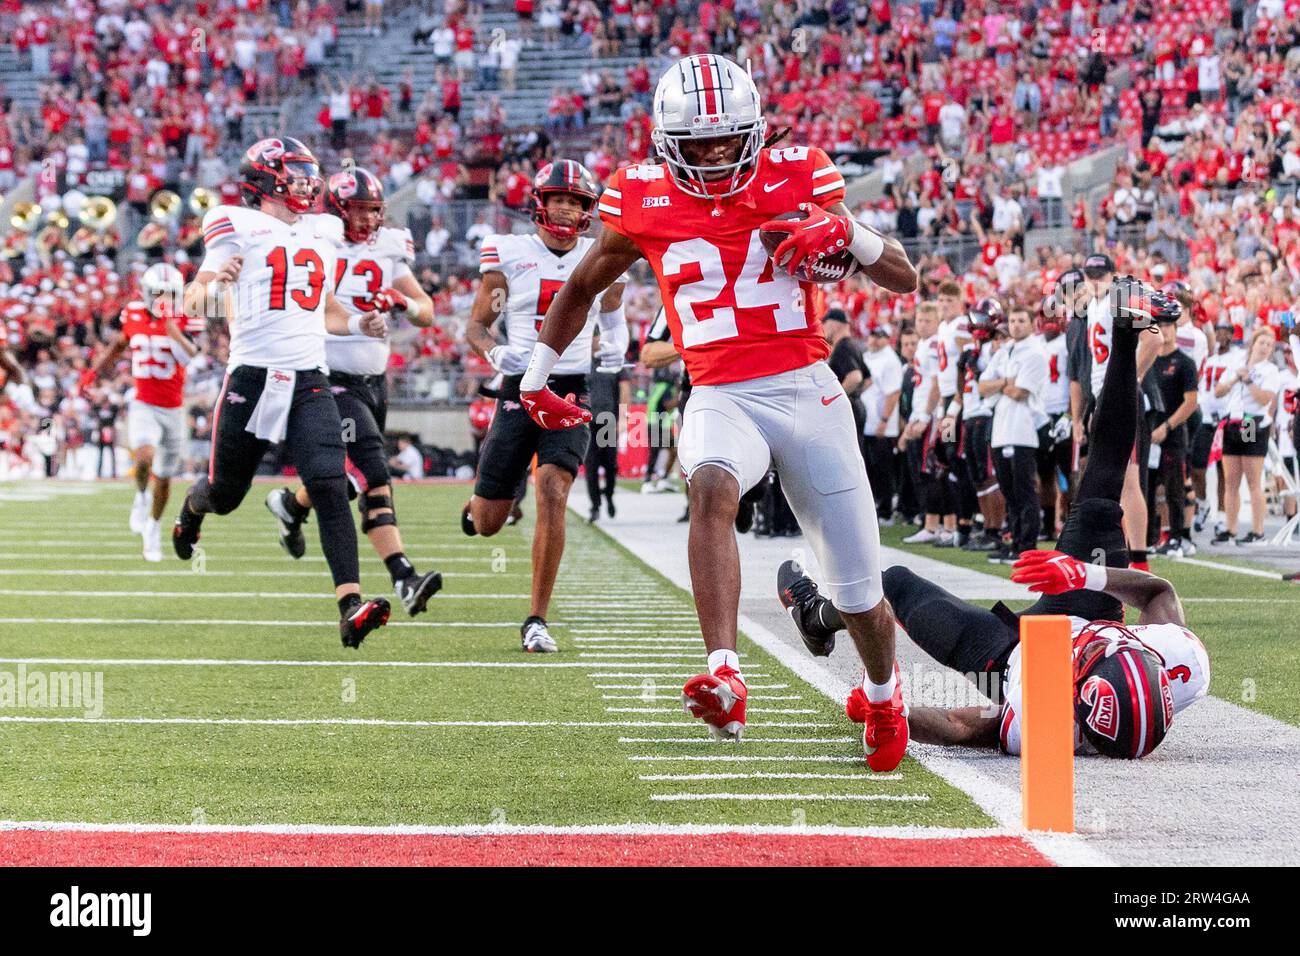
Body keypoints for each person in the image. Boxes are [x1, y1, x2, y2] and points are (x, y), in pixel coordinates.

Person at [517, 54, 918, 770]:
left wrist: (847, 236)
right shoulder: (640, 196)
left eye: (728, 140)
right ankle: (726, 675)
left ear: (754, 131)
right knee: (708, 485)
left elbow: (903, 277)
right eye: (697, 144)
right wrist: (535, 377)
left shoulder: (799, 174)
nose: (714, 156)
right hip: (720, 391)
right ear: (667, 143)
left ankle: (884, 695)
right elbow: (580, 287)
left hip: (807, 388)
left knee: (860, 594)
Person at [779, 287, 1210, 759]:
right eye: (1109, 652)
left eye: (1087, 661)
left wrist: (894, 715)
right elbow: (1159, 593)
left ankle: (816, 615)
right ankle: (1124, 336)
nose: (1086, 650)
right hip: (1091, 610)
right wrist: (1086, 575)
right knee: (1102, 488)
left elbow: (959, 726)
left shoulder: (1044, 717)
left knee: (894, 584)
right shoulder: (1182, 664)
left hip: (1012, 656)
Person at [175, 137, 393, 649]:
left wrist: (359, 322)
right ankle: (191, 511)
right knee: (225, 494)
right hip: (252, 377)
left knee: (329, 482)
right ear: (265, 180)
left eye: (308, 174)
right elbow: (191, 300)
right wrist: (214, 284)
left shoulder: (323, 231)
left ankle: (350, 607)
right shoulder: (234, 222)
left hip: (309, 379)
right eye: (294, 174)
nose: (307, 183)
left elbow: (326, 308)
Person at [461, 159, 629, 653]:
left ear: (587, 209)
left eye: (576, 201)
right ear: (540, 203)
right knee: (486, 522)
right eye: (559, 199)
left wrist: (616, 342)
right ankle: (491, 498)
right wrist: (494, 352)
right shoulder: (510, 253)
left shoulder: (603, 252)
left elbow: (613, 313)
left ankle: (536, 618)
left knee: (553, 488)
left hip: (572, 387)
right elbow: (477, 326)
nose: (567, 209)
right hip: (519, 386)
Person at [262, 166, 443, 617]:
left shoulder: (389, 246)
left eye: (373, 210)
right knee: (374, 471)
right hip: (329, 378)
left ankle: (291, 504)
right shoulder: (313, 241)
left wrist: (402, 301)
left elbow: (426, 312)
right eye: (358, 210)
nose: (367, 219)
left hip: (373, 383)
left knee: (343, 481)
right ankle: (404, 576)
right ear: (337, 210)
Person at [82, 264, 201, 561]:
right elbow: (119, 344)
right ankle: (141, 495)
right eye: (159, 293)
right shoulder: (132, 313)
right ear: (147, 293)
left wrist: (171, 329)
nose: (164, 299)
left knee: (165, 478)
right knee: (145, 456)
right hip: (143, 402)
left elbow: (190, 357)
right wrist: (93, 373)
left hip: (173, 407)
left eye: (169, 294)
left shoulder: (184, 316)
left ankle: (153, 527)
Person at [979, 306, 1047, 561]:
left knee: (1024, 490)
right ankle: (1015, 539)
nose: (1016, 325)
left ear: (1031, 324)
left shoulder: (1035, 352)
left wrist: (1000, 385)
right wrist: (1006, 382)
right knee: (1008, 490)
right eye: (1013, 320)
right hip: (1001, 428)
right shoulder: (1005, 350)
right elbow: (982, 386)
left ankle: (1026, 544)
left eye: (1021, 320)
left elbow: (1020, 392)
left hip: (1022, 429)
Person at [1214, 326, 1282, 544]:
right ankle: (1230, 528)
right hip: (1232, 421)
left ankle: (1258, 530)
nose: (1264, 347)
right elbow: (1218, 391)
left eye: (1269, 345)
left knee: (1253, 479)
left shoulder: (1270, 371)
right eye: (1262, 342)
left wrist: (1249, 382)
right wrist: (1236, 379)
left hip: (1251, 421)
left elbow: (1264, 399)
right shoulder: (1237, 363)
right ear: (1253, 344)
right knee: (1231, 479)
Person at [1143, 299, 1199, 557]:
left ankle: (1177, 537)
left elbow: (1191, 402)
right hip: (1148, 433)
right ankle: (1148, 538)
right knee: (1146, 488)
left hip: (1173, 434)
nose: (1164, 330)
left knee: (1174, 488)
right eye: (1159, 325)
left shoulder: (1185, 362)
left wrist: (1167, 427)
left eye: (1168, 326)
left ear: (1176, 329)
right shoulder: (1148, 361)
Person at [1192, 322, 1241, 534]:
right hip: (1206, 418)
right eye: (1218, 331)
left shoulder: (1237, 358)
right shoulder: (1210, 359)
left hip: (1227, 419)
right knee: (1197, 467)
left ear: (1231, 335)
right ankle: (1203, 503)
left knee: (1224, 472)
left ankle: (1222, 517)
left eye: (1225, 332)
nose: (1221, 335)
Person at [585, 339, 628, 522]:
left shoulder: (614, 360)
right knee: (591, 465)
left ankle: (609, 495)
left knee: (610, 465)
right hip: (589, 422)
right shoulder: (583, 362)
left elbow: (624, 389)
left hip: (608, 421)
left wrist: (623, 417)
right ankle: (595, 505)